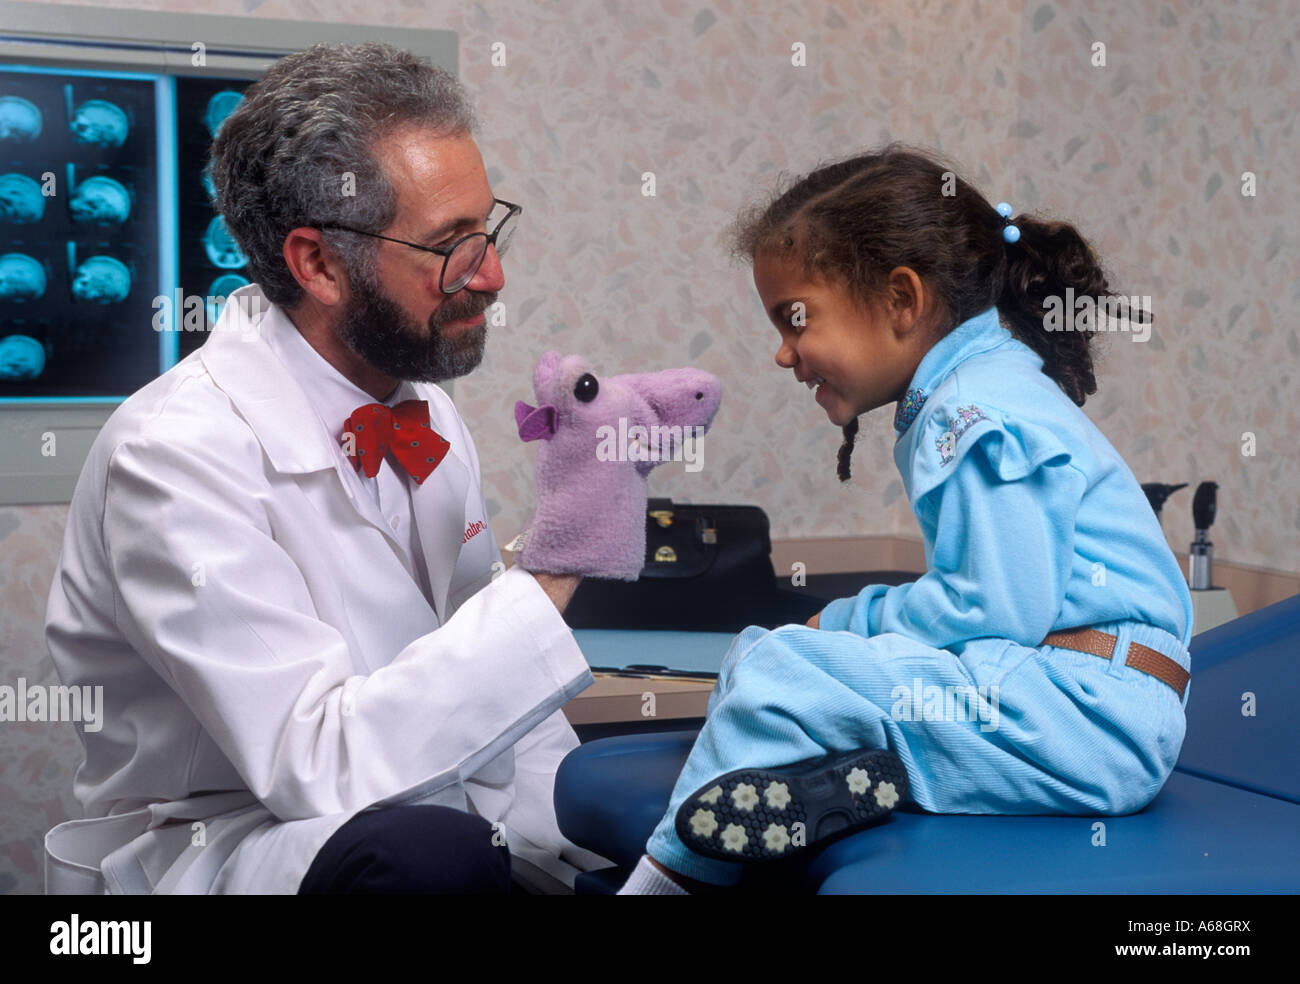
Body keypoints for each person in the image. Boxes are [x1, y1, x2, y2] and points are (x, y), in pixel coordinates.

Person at [42, 41, 624, 895]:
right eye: (452, 247)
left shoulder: (419, 405)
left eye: (488, 229)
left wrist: (617, 852)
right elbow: (315, 765)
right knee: (426, 860)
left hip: (430, 809)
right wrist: (557, 564)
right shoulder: (175, 454)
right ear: (317, 264)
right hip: (238, 845)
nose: (493, 276)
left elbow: (496, 708)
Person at [619, 144, 1193, 894]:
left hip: (1085, 712)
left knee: (776, 668)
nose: (783, 353)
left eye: (796, 320)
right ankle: (833, 787)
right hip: (1066, 700)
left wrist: (852, 620)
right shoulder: (981, 383)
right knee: (763, 655)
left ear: (901, 300)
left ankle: (663, 883)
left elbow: (995, 607)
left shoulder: (976, 410)